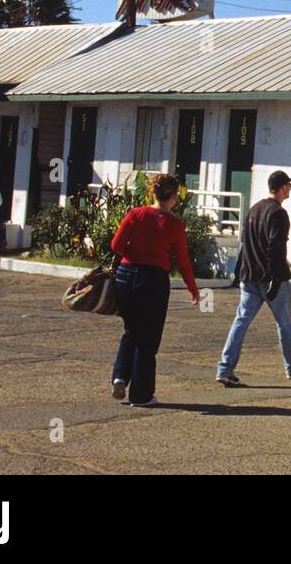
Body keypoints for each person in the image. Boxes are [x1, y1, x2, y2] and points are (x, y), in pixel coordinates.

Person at [216, 170, 291, 386]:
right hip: (271, 279)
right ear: (281, 188)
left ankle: (225, 368)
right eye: (288, 185)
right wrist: (276, 279)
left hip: (249, 276)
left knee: (240, 322)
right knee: (285, 324)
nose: (290, 188)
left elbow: (245, 244)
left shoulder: (253, 210)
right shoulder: (278, 214)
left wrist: (239, 272)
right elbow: (276, 248)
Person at [110, 173, 200, 406]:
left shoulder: (135, 214)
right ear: (171, 196)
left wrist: (135, 254)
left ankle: (120, 376)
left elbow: (116, 245)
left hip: (126, 276)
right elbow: (182, 261)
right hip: (153, 281)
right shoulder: (174, 225)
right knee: (148, 339)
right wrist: (193, 289)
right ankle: (141, 395)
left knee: (131, 330)